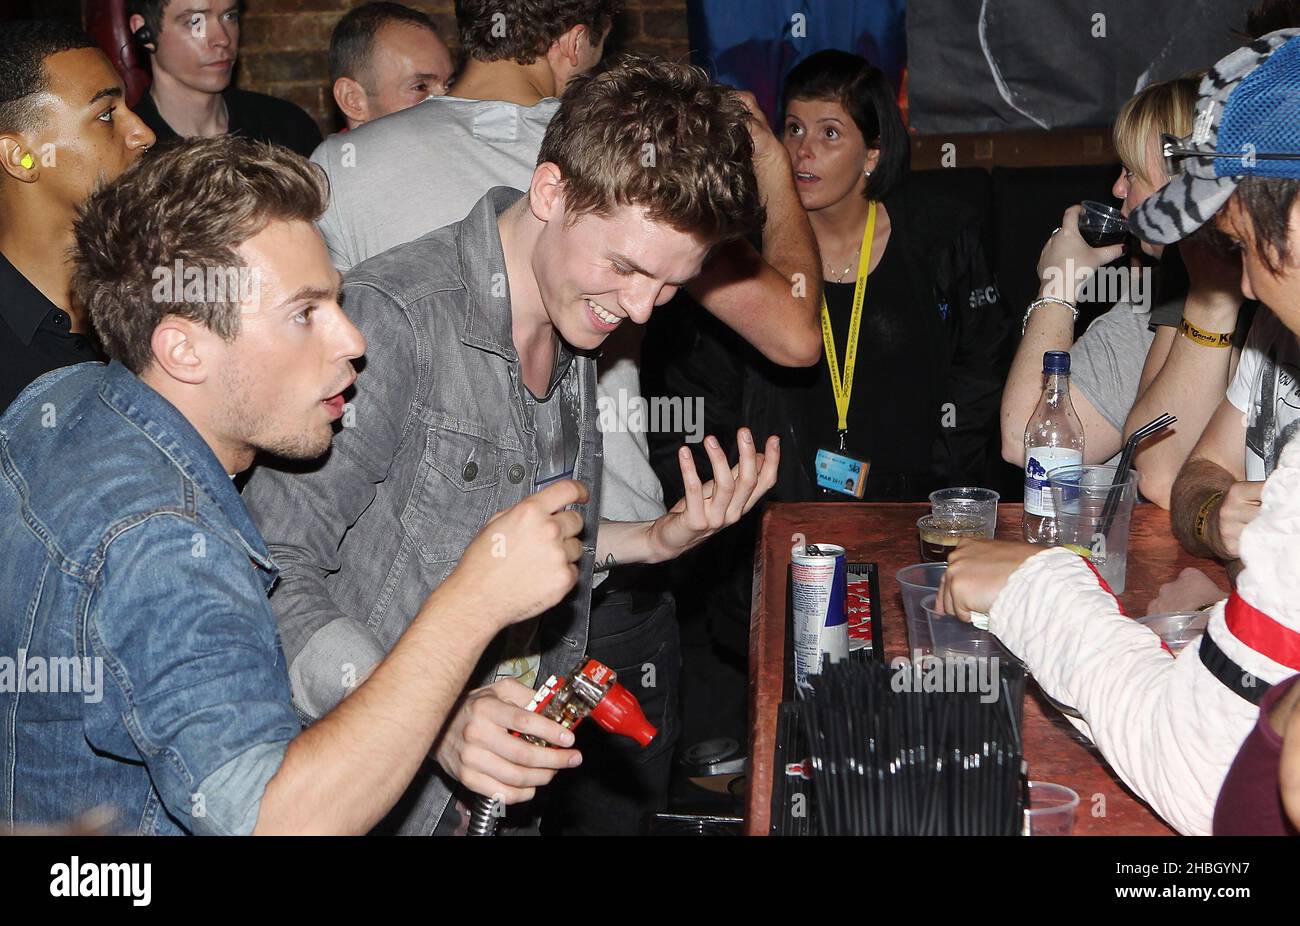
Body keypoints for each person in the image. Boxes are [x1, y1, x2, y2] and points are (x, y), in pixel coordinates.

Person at [306, 0, 821, 835]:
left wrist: (656, 540)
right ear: (550, 189)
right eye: (625, 268)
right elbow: (278, 573)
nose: (644, 309)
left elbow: (521, 536)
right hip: (381, 792)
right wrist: (429, 720)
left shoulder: (572, 313)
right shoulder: (397, 319)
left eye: (667, 284)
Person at [0, 135, 586, 835]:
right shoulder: (164, 544)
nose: (352, 340)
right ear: (184, 348)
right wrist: (472, 602)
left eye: (336, 300)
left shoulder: (67, 398)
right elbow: (278, 820)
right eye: (304, 313)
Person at [937, 29, 1300, 836]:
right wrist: (1059, 286)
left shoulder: (1220, 306)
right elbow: (1029, 446)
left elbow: (1161, 472)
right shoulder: (1156, 305)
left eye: (1135, 172)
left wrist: (1039, 592)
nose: (1117, 189)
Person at [1000, 74, 1218, 472]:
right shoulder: (1165, 290)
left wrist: (1059, 284)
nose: (1118, 188)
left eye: (1131, 171)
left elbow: (1028, 442)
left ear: (1183, 178)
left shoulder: (1159, 309)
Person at [0, 20, 155, 413]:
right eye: (106, 114)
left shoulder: (164, 292)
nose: (143, 133)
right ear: (21, 158)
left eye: (128, 108)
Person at [126, 0, 321, 156]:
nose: (222, 39)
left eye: (230, 16)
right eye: (196, 22)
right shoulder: (128, 150)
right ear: (145, 33)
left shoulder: (286, 128)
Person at [328, 2, 454, 131]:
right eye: (420, 87)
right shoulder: (330, 151)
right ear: (352, 100)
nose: (451, 104)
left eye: (449, 85)